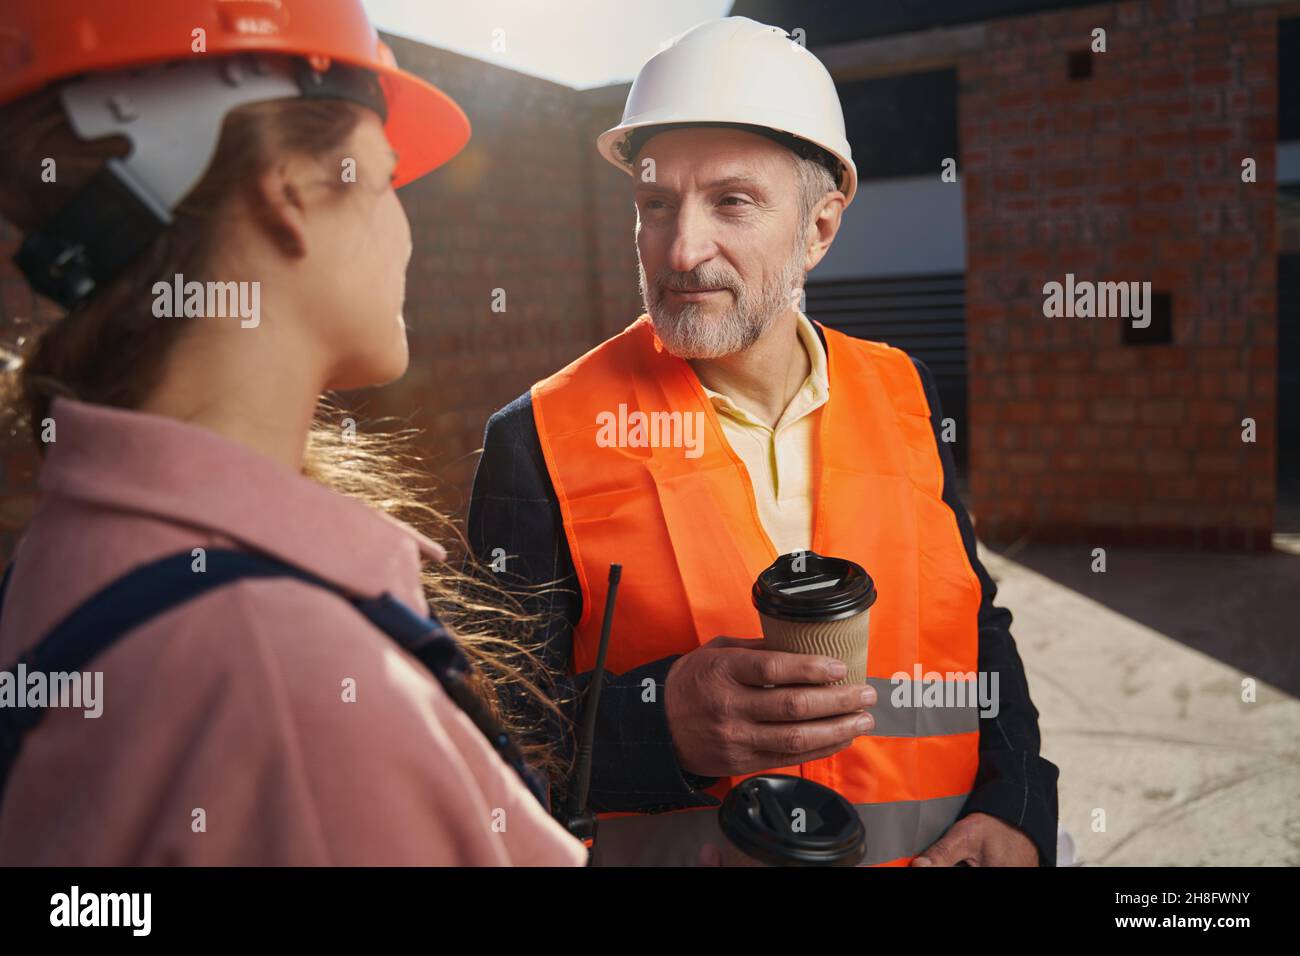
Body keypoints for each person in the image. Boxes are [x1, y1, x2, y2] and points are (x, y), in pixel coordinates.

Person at [0, 0, 585, 867]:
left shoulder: (71, 552)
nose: (405, 233)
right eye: (387, 179)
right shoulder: (292, 689)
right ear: (290, 189)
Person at [469, 17, 1059, 866]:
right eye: (655, 204)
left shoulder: (905, 395)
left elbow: (975, 626)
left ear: (819, 229)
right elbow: (486, 736)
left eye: (732, 202)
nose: (680, 249)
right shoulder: (539, 437)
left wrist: (1018, 804)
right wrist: (653, 723)